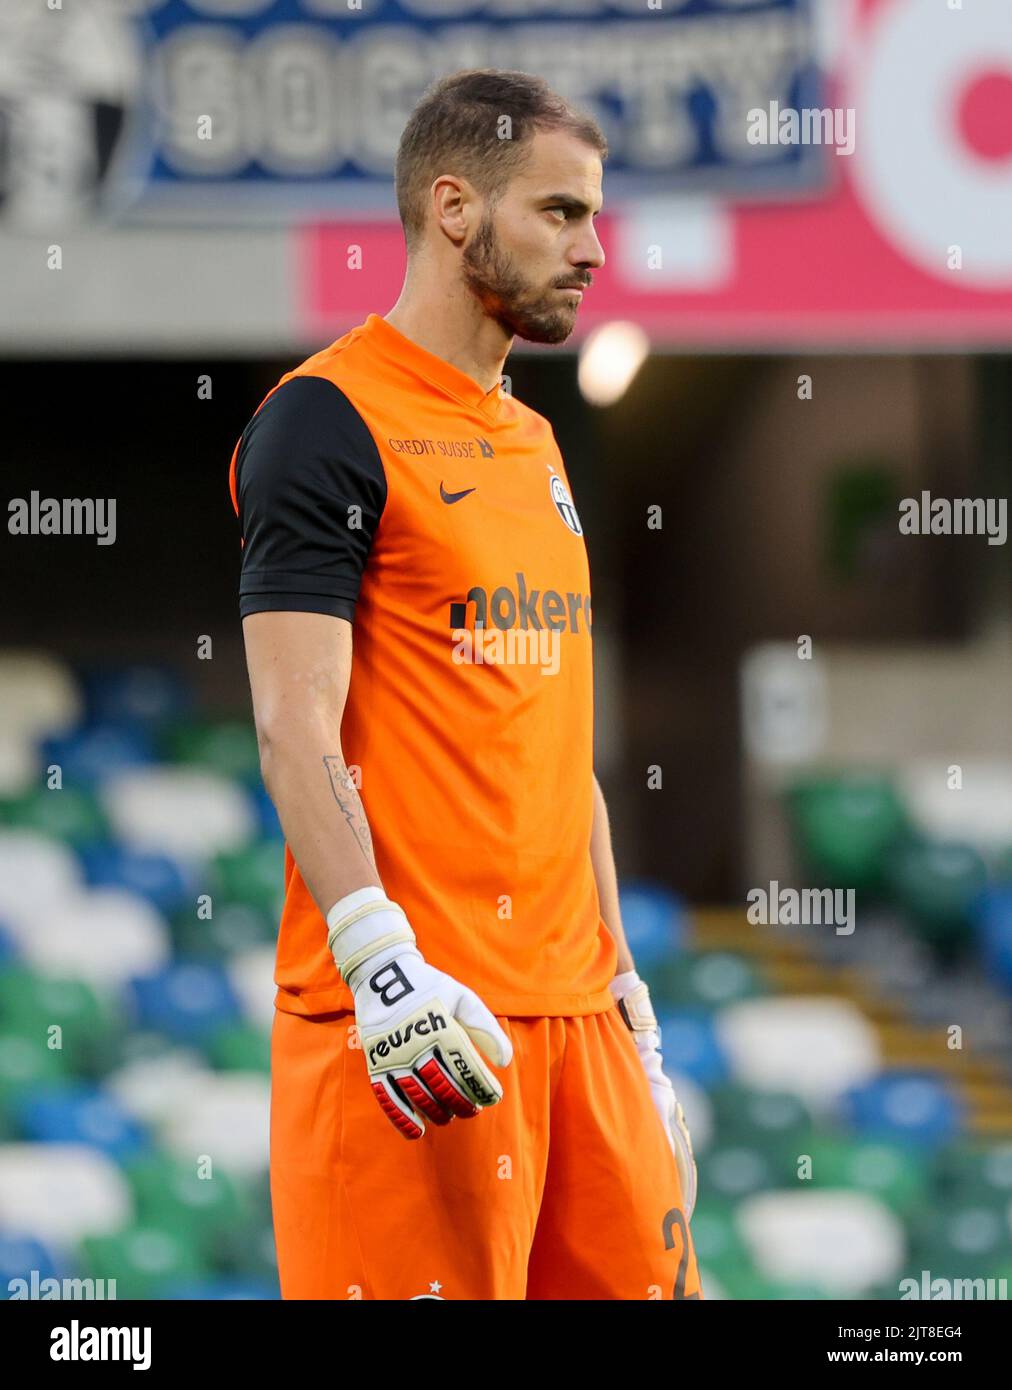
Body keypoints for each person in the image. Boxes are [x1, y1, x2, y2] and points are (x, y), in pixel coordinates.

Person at [230, 67, 701, 1301]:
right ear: (453, 207)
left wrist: (630, 1008)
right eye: (560, 212)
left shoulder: (536, 442)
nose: (593, 249)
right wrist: (380, 960)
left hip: (578, 1029)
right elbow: (292, 724)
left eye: (593, 217)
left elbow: (563, 757)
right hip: (416, 1027)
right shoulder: (323, 419)